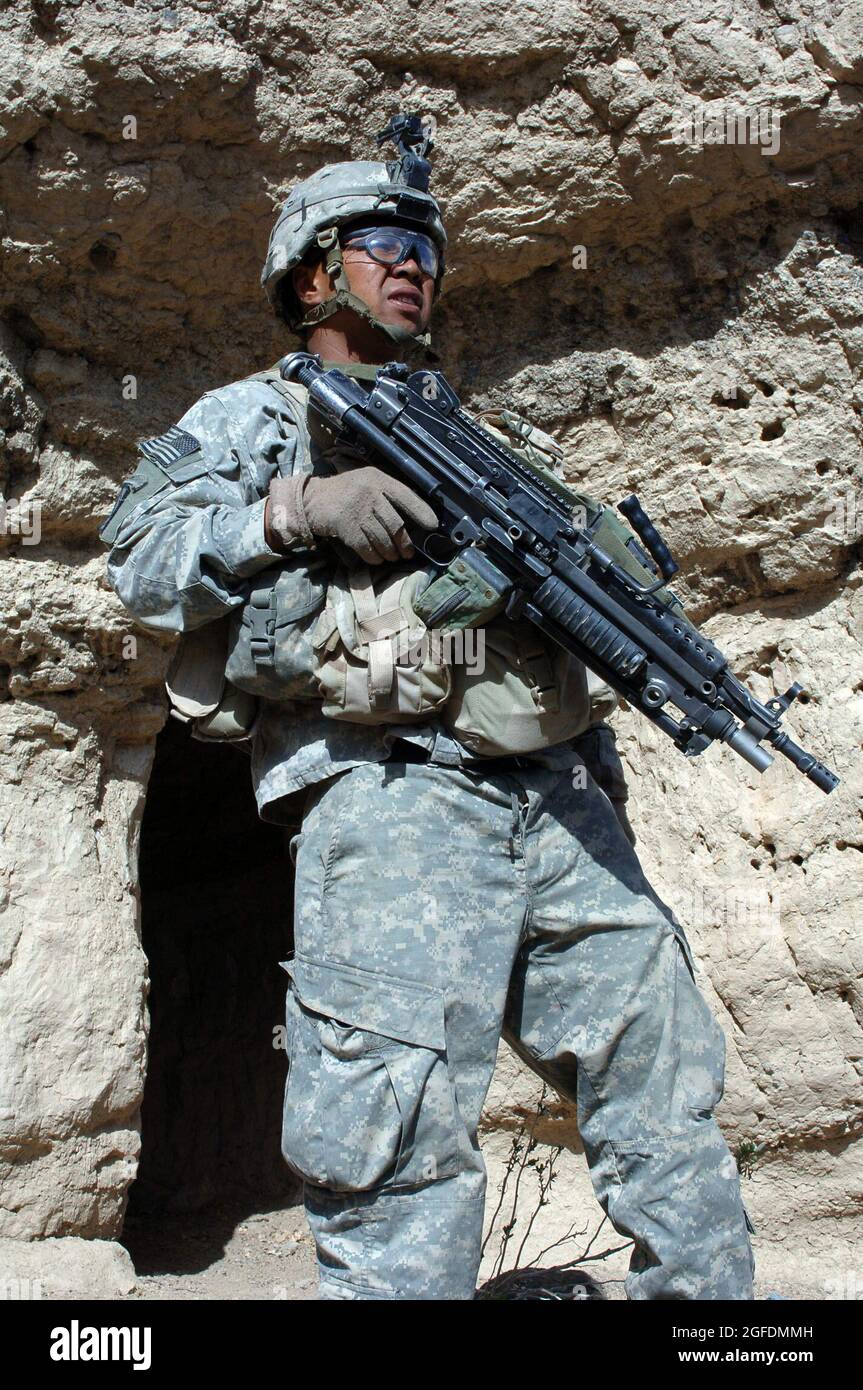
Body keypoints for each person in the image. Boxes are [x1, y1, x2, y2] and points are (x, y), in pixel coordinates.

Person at [102, 115, 756, 1300]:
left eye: (426, 247)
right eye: (379, 241)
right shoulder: (246, 420)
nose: (413, 263)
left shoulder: (479, 428)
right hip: (392, 794)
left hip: (557, 792)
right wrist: (296, 505)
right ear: (313, 272)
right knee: (393, 1126)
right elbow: (140, 561)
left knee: (658, 1077)